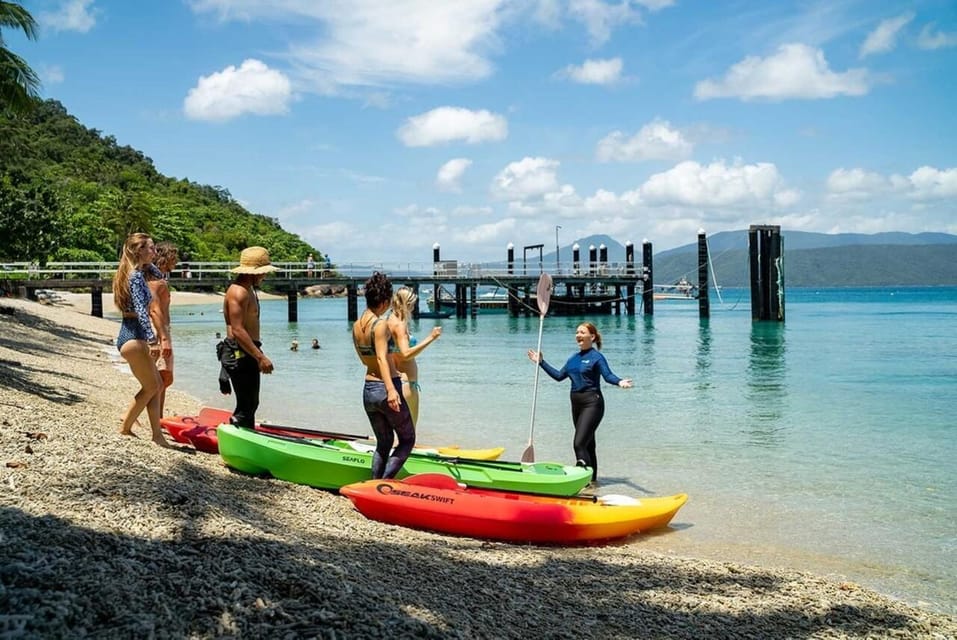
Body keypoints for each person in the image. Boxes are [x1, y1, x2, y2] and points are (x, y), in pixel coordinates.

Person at [527, 322, 632, 484]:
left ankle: (580, 481)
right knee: (589, 445)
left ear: (592, 336)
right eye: (577, 332)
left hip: (593, 403)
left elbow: (608, 375)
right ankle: (592, 482)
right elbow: (558, 376)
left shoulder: (597, 357)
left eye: (582, 332)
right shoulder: (573, 359)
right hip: (576, 404)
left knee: (579, 443)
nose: (578, 335)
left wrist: (619, 382)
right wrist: (541, 362)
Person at [352, 272, 414, 479]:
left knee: (384, 443)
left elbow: (364, 358)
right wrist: (391, 390)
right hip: (384, 387)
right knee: (407, 440)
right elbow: (381, 358)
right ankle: (384, 483)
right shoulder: (380, 325)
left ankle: (374, 484)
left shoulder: (356, 325)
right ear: (385, 301)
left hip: (367, 390)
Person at [113, 232, 171, 447]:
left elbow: (158, 276)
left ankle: (157, 434)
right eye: (151, 248)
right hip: (134, 336)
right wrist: (152, 339)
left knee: (154, 385)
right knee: (152, 386)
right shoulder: (135, 276)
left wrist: (149, 264)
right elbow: (140, 309)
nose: (155, 252)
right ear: (139, 250)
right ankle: (125, 427)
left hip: (129, 334)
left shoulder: (130, 271)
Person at [220, 246, 278, 427]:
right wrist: (260, 357)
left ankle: (243, 435)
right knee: (248, 404)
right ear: (252, 273)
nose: (264, 276)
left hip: (245, 350)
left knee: (251, 403)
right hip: (241, 352)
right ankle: (237, 439)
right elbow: (236, 330)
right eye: (262, 273)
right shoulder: (239, 292)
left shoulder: (247, 289)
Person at [386, 286, 442, 426]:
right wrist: (431, 337)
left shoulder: (388, 321)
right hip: (406, 384)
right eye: (412, 304)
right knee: (409, 434)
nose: (413, 307)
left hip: (396, 382)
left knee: (400, 432)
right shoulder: (400, 325)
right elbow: (405, 354)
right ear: (407, 304)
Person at [147, 241, 178, 418]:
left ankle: (158, 416)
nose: (176, 261)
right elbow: (154, 309)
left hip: (161, 330)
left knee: (161, 378)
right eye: (174, 257)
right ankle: (153, 417)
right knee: (161, 378)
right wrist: (163, 338)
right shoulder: (156, 282)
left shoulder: (155, 279)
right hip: (158, 331)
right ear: (165, 258)